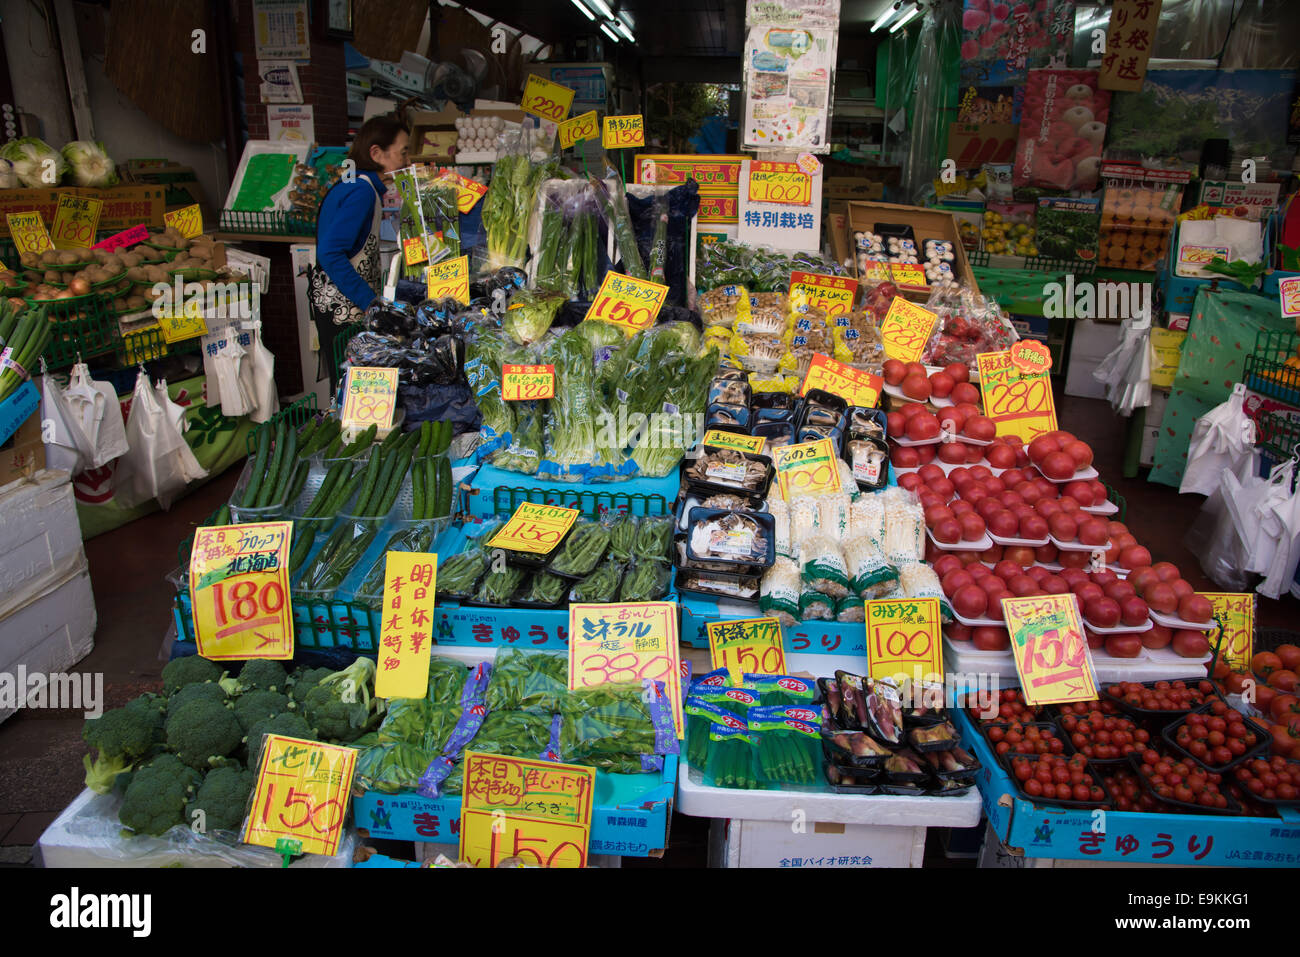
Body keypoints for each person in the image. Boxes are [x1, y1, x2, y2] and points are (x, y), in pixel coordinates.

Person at [307, 114, 409, 392]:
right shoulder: (361, 192)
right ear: (377, 153)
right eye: (402, 152)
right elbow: (331, 253)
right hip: (344, 310)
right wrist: (370, 303)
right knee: (349, 389)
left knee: (346, 388)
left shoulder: (353, 184)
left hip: (339, 307)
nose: (406, 161)